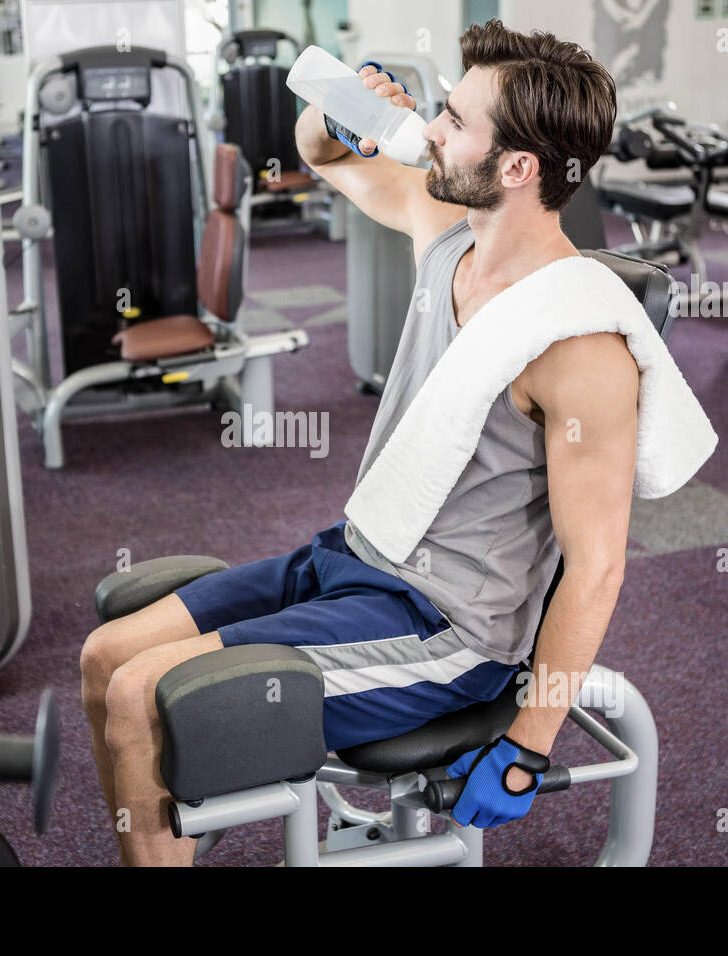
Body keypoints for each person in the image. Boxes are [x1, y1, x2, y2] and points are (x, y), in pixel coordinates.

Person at [80, 18, 636, 865]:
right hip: (354, 558)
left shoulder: (578, 347)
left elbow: (596, 569)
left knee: (147, 692)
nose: (432, 128)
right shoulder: (448, 232)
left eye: (455, 120)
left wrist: (528, 746)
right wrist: (340, 114)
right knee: (104, 657)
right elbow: (326, 158)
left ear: (518, 168)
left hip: (443, 629)